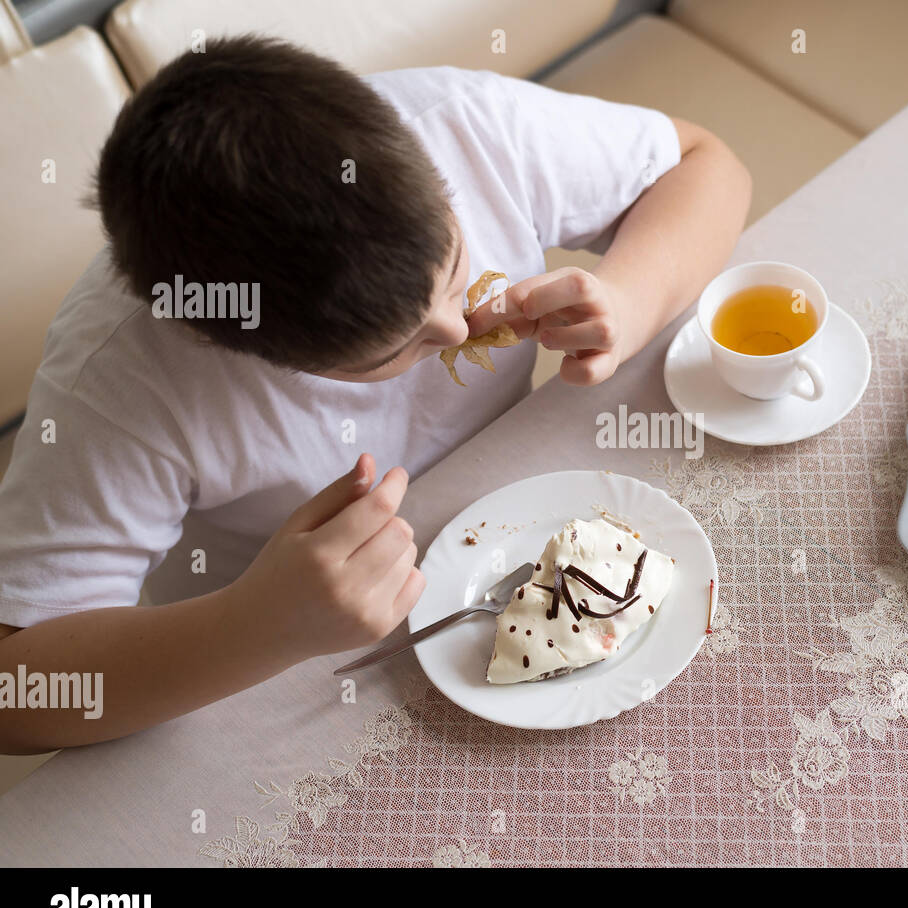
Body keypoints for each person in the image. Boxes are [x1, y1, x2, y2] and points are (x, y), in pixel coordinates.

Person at [0, 36, 750, 752]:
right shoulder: (121, 377)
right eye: (399, 349)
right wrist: (252, 624)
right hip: (295, 656)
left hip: (528, 519)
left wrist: (627, 298)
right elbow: (16, 694)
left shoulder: (460, 126)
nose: (460, 329)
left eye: (458, 269)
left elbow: (704, 164)